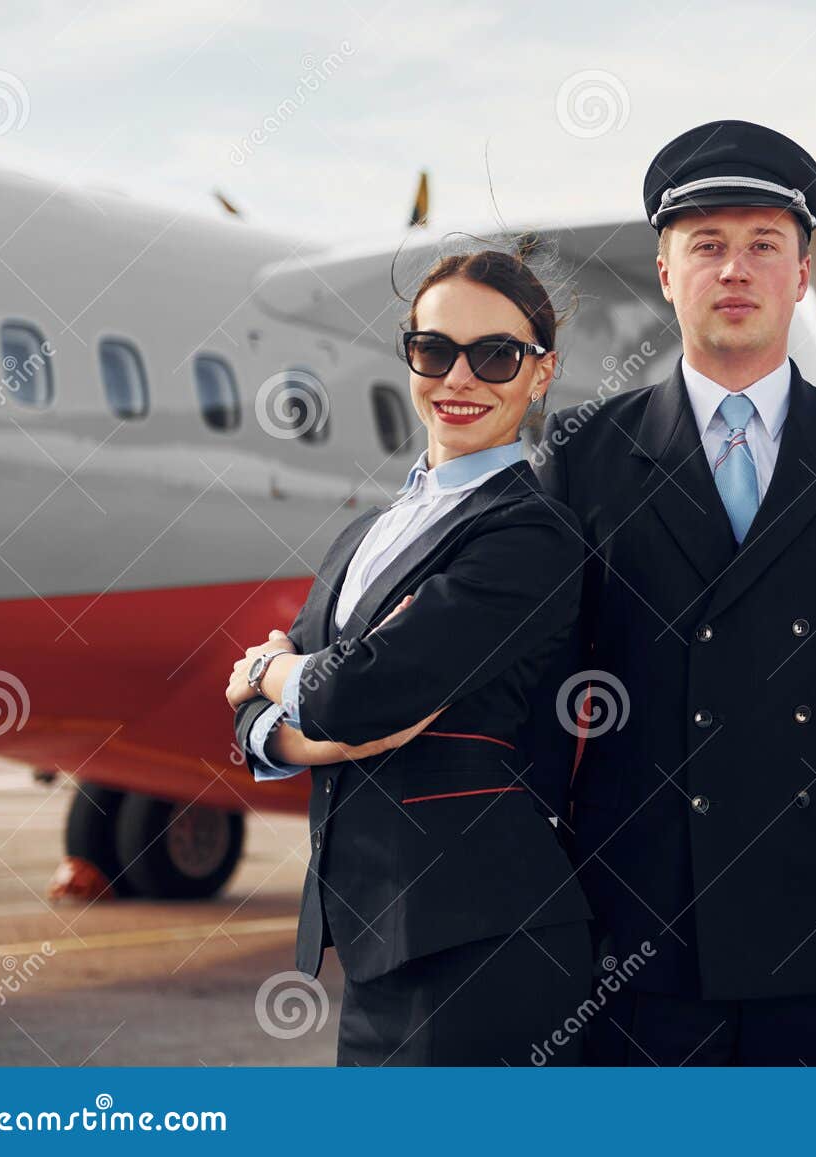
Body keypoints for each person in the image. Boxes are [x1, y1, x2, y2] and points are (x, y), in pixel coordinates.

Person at [534, 120, 816, 1065]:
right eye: (708, 247)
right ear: (663, 272)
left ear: (802, 275)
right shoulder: (584, 453)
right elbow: (536, 697)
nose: (736, 270)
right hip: (637, 939)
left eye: (763, 246)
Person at [224, 249, 594, 1066]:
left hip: (483, 946)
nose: (459, 377)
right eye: (434, 351)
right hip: (377, 945)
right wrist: (293, 709)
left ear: (541, 374)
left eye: (496, 354)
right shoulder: (367, 533)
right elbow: (283, 720)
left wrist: (269, 674)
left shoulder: (528, 532)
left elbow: (352, 692)